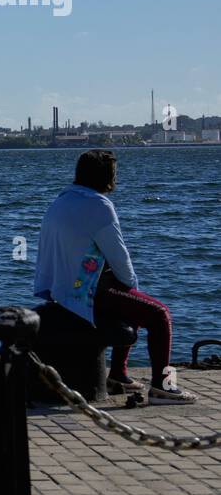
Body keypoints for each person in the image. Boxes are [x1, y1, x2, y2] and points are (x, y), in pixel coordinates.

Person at [33, 149, 194, 404]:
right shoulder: (99, 205)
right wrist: (132, 288)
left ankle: (119, 374)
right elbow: (119, 255)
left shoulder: (60, 201)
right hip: (87, 294)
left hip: (61, 292)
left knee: (128, 303)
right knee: (159, 314)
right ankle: (164, 386)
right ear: (107, 176)